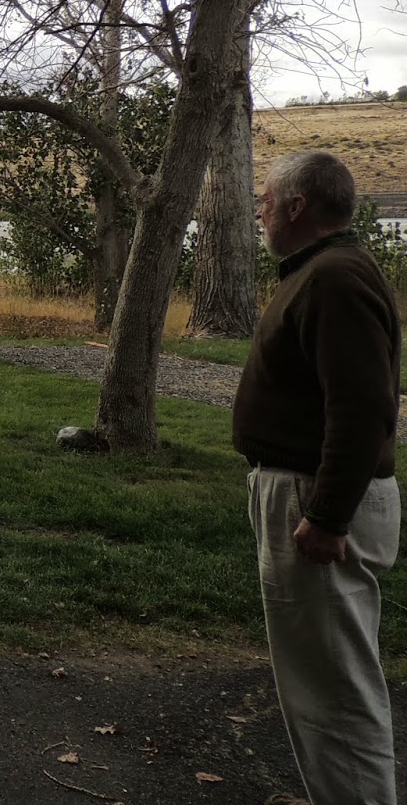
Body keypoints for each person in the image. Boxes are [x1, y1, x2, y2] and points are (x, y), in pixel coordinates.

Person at [234, 150, 402, 805]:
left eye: (267, 200)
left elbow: (363, 411)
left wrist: (329, 515)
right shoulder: (323, 272)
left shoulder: (334, 279)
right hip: (308, 492)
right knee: (319, 678)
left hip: (318, 500)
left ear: (299, 207)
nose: (261, 211)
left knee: (336, 687)